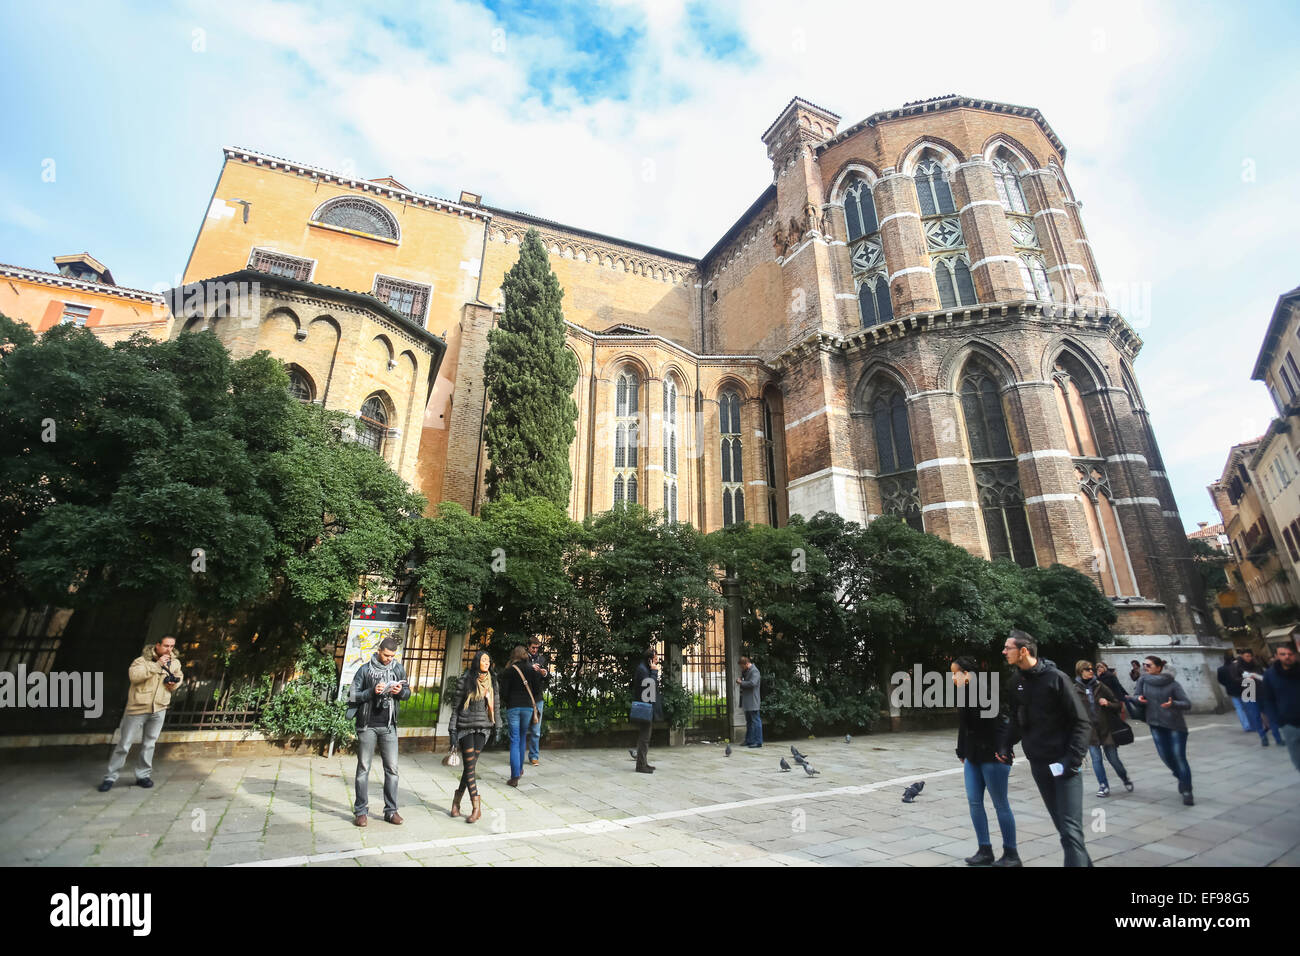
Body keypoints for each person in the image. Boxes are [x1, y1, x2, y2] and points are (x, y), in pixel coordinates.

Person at [997, 629, 1092, 867]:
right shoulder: (1016, 682)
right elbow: (1019, 720)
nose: (1004, 651)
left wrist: (1074, 757)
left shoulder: (1056, 678)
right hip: (1039, 764)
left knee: (1070, 830)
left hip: (1065, 761)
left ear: (1024, 651)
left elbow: (1082, 721)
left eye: (1008, 647)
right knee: (1064, 828)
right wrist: (1005, 745)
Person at [951, 656, 1019, 867]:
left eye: (955, 673)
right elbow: (964, 726)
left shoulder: (985, 692)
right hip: (972, 756)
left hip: (992, 755)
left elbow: (1002, 723)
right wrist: (961, 750)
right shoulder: (963, 693)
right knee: (974, 801)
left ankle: (1011, 854)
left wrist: (1003, 749)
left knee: (1000, 804)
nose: (953, 677)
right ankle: (985, 849)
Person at [98, 635, 184, 792]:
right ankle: (110, 777)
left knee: (150, 743)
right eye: (166, 645)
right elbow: (134, 677)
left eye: (172, 646)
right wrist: (157, 665)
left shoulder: (175, 662)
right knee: (125, 744)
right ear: (157, 645)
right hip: (138, 707)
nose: (169, 649)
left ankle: (143, 775)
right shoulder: (141, 661)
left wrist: (173, 684)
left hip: (159, 708)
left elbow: (179, 678)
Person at [347, 637, 412, 827]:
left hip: (389, 725)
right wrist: (371, 692)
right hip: (367, 725)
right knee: (363, 769)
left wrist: (400, 691)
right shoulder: (364, 670)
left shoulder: (397, 668)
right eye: (386, 655)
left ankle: (391, 811)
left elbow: (407, 693)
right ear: (379, 651)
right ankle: (360, 811)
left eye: (392, 656)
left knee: (392, 769)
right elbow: (352, 695)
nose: (389, 659)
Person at [1127, 655, 1194, 805]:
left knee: (1179, 757)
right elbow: (1136, 696)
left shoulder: (1172, 683)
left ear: (1158, 667)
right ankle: (1180, 776)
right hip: (1155, 724)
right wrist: (1137, 699)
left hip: (1175, 725)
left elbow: (1187, 703)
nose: (1145, 668)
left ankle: (1187, 790)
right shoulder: (1143, 681)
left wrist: (1173, 704)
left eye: (1149, 665)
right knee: (1165, 756)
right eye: (1144, 665)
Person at [446, 650, 501, 823]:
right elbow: (456, 707)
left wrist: (498, 726)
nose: (486, 662)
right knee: (470, 768)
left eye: (488, 660)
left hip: (483, 728)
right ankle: (476, 808)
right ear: (477, 661)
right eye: (483, 659)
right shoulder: (466, 680)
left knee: (469, 767)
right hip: (466, 727)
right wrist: (452, 730)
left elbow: (496, 706)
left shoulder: (493, 682)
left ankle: (456, 803)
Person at [1072, 661, 1132, 797]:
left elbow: (1118, 705)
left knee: (1113, 759)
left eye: (1092, 669)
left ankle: (1124, 778)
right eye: (1087, 669)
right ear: (1080, 671)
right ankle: (1103, 785)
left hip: (1106, 730)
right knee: (1096, 760)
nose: (1091, 671)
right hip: (1090, 733)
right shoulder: (1075, 690)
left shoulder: (1100, 686)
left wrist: (1108, 703)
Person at [500, 645, 543, 787]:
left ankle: (514, 776)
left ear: (514, 655)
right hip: (527, 708)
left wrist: (509, 701)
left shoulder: (509, 671)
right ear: (525, 655)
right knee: (522, 737)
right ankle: (519, 769)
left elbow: (504, 692)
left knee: (514, 740)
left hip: (513, 707)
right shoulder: (531, 670)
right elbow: (537, 690)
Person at [1261, 643, 1300, 773]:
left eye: (1290, 654)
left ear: (1295, 655)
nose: (1287, 657)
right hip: (1288, 723)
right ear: (1277, 656)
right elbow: (1268, 699)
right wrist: (1276, 720)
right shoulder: (1270, 675)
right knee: (1297, 758)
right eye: (1283, 654)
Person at [1237, 650, 1283, 747]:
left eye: (1250, 656)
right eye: (1246, 656)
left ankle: (1278, 738)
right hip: (1249, 693)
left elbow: (1264, 677)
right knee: (1256, 717)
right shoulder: (1237, 668)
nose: (1249, 658)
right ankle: (1263, 737)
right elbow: (1234, 681)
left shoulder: (1257, 666)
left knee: (1271, 716)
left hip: (1263, 693)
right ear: (1242, 656)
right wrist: (1245, 679)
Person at [631, 648, 660, 774]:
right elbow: (649, 687)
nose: (657, 660)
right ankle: (641, 765)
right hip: (644, 708)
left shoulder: (644, 668)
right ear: (650, 659)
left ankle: (643, 763)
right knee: (644, 738)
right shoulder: (643, 670)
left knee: (645, 737)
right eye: (655, 658)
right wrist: (654, 672)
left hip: (646, 707)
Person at [525, 638, 550, 766]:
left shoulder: (541, 659)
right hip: (524, 698)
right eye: (533, 647)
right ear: (528, 647)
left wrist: (543, 672)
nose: (535, 650)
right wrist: (530, 668)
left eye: (537, 648)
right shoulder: (524, 659)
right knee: (522, 729)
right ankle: (518, 755)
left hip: (538, 698)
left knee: (536, 730)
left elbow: (547, 676)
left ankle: (534, 756)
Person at [1217, 652, 1253, 732]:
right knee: (1247, 707)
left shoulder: (1220, 669)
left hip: (1231, 691)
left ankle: (1246, 726)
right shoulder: (1237, 667)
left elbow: (1220, 680)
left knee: (1239, 708)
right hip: (1242, 688)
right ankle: (1252, 723)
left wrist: (1227, 685)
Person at [737, 655, 762, 748]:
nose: (741, 668)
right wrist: (742, 677)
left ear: (747, 663)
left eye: (742, 666)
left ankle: (758, 741)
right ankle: (749, 740)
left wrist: (741, 682)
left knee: (755, 721)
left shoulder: (754, 671)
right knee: (749, 721)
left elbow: (752, 683)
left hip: (753, 700)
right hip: (747, 700)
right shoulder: (746, 671)